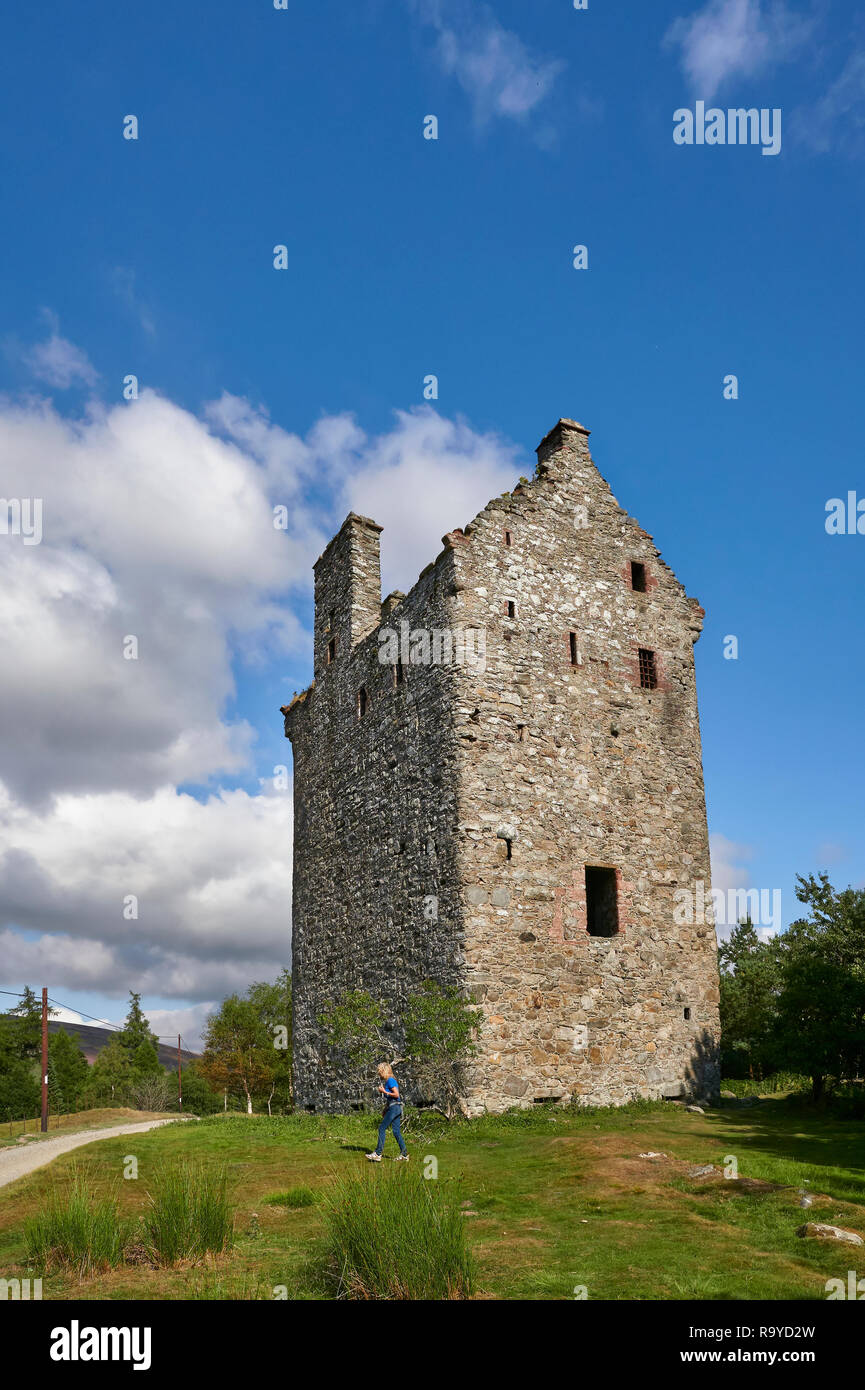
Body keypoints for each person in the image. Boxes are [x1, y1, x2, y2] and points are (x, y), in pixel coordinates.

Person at [366, 1062, 408, 1161]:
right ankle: (404, 1155)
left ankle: (378, 1153)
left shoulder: (390, 1080)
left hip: (394, 1108)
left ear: (384, 1071)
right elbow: (391, 1099)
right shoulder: (389, 1081)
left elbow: (396, 1095)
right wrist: (385, 1109)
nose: (379, 1074)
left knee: (381, 1128)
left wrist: (384, 1091)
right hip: (395, 1107)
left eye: (379, 1072)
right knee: (396, 1131)